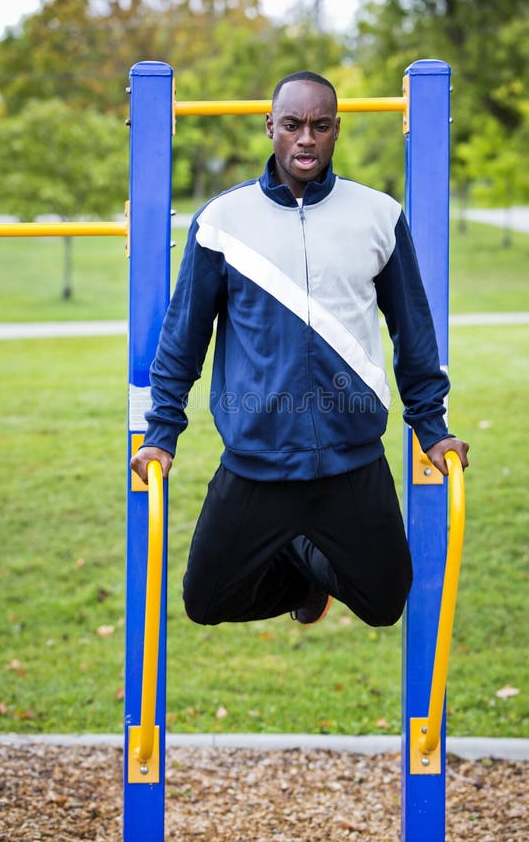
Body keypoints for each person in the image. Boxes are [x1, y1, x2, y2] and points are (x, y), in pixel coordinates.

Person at [130, 70, 469, 629]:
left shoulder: (378, 216)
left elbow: (412, 329)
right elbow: (183, 339)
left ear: (337, 130)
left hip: (351, 459)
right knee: (207, 601)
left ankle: (310, 563)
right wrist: (162, 435)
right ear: (271, 128)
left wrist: (431, 427)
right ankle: (299, 571)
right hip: (257, 462)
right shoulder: (223, 222)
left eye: (319, 126)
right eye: (292, 125)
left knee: (386, 604)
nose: (305, 139)